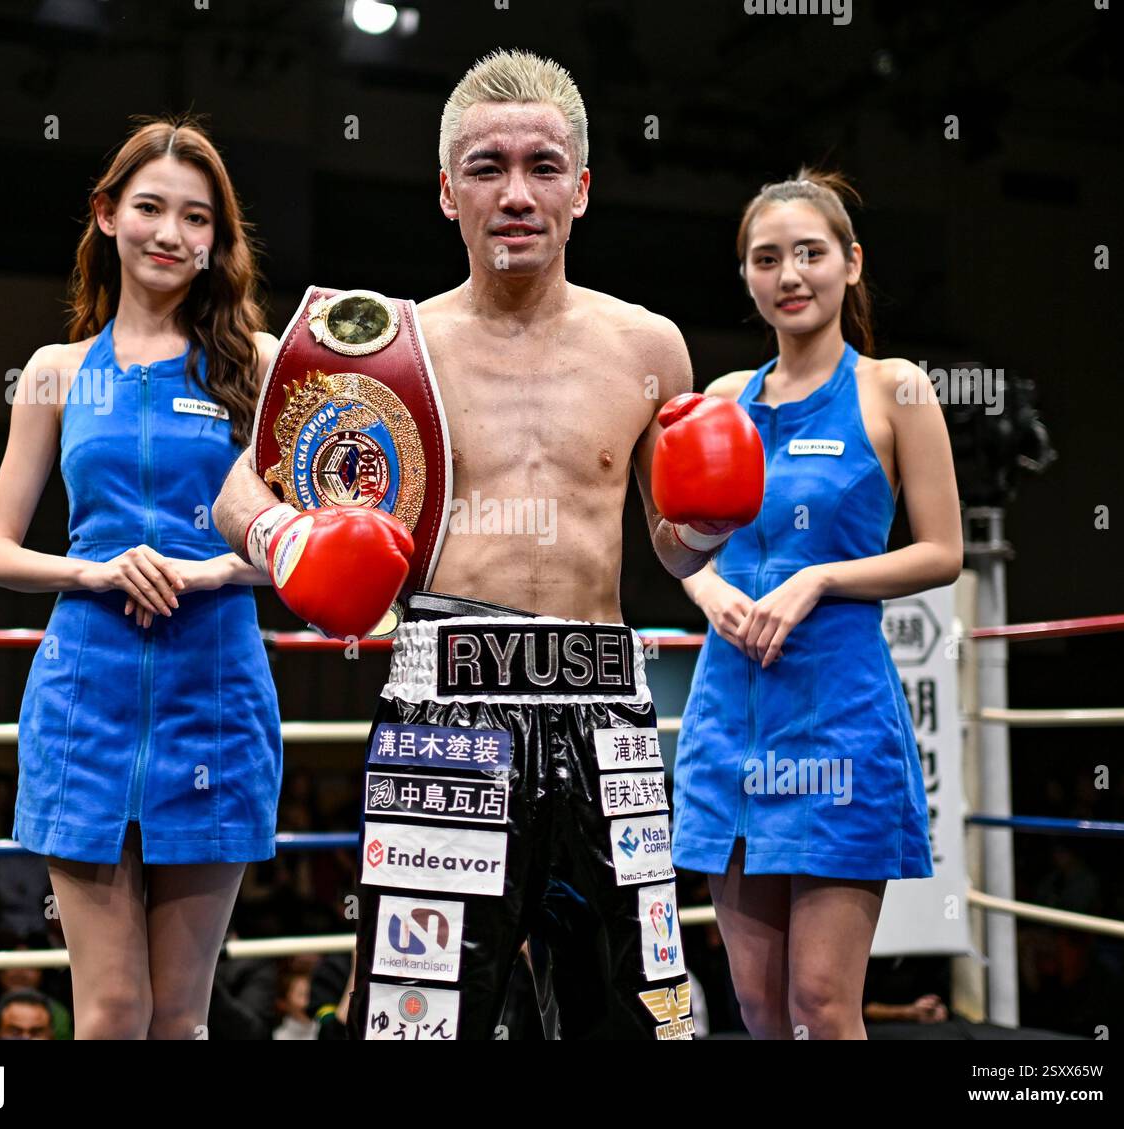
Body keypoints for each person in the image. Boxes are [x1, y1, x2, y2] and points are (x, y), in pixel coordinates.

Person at [213, 49, 761, 1040]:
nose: (516, 193)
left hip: (607, 714)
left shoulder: (650, 346)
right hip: (448, 712)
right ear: (445, 190)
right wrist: (289, 541)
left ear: (581, 189)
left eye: (543, 166)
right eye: (486, 166)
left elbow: (673, 551)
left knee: (644, 1017)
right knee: (418, 1023)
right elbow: (237, 488)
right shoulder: (387, 349)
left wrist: (711, 525)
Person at [0, 115, 283, 1039]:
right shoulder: (55, 371)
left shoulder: (258, 365)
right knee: (111, 1011)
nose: (171, 234)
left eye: (197, 219)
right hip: (86, 703)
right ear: (108, 215)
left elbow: (300, 542)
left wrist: (214, 566)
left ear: (217, 241)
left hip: (216, 697)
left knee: (181, 1016)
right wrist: (98, 568)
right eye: (150, 207)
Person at [671, 169, 963, 1039]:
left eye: (810, 253)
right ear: (749, 277)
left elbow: (942, 551)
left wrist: (821, 576)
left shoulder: (895, 387)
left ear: (851, 262)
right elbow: (675, 542)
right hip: (729, 718)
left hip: (839, 718)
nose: (789, 274)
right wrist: (709, 588)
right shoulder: (722, 399)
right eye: (768, 259)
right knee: (757, 1006)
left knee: (822, 1005)